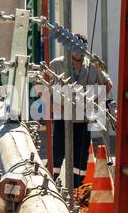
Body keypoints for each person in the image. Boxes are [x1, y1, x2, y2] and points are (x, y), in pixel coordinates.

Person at [46, 36, 113, 183]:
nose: (78, 51)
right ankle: (51, 182)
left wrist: (95, 102)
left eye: (81, 47)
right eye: (75, 46)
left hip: (83, 118)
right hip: (62, 117)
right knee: (57, 153)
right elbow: (41, 83)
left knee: (80, 156)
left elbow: (108, 84)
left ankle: (77, 186)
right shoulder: (57, 64)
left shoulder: (92, 67)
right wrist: (50, 104)